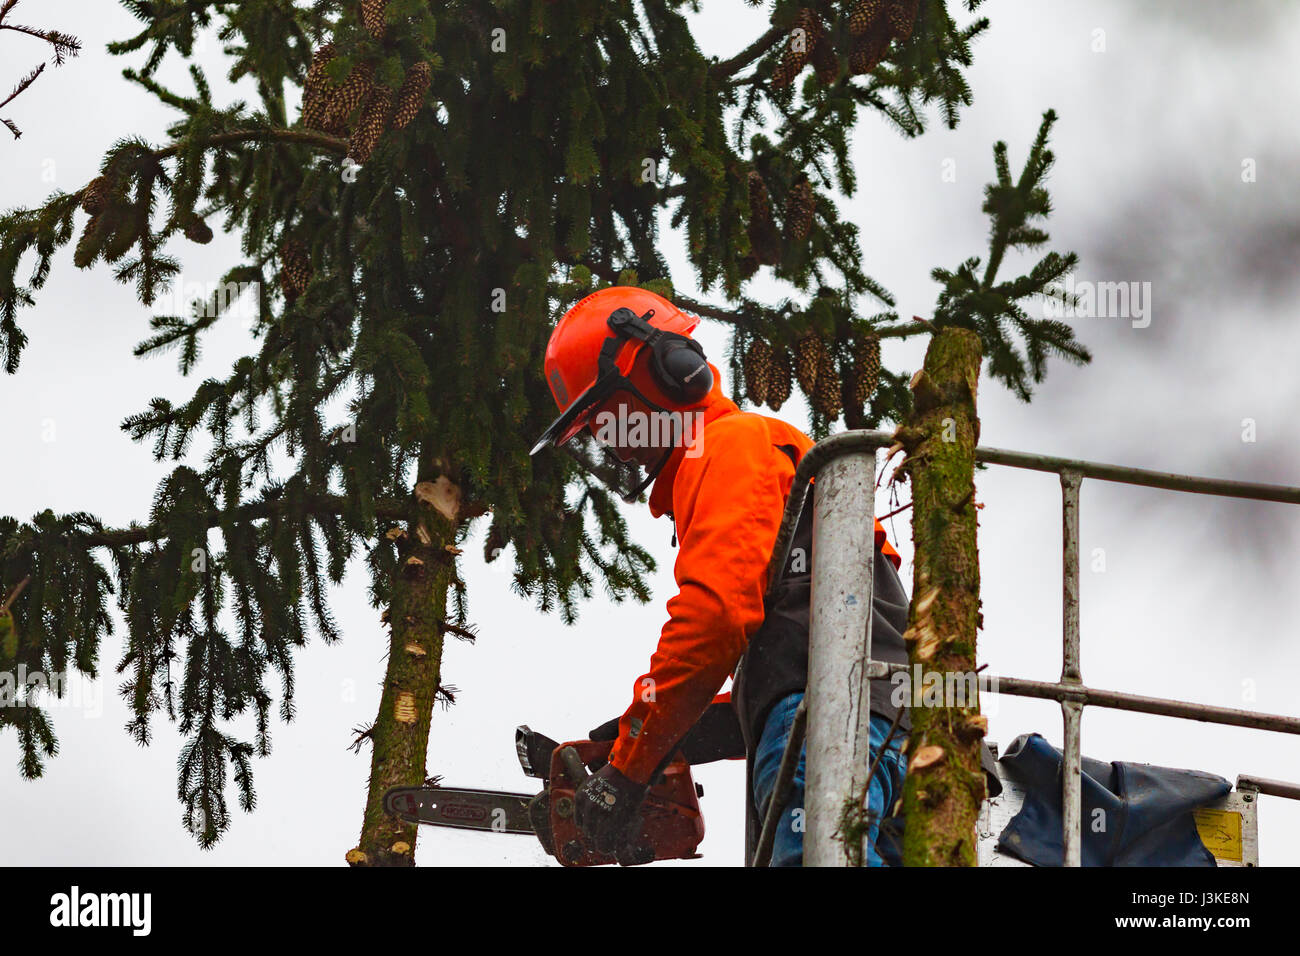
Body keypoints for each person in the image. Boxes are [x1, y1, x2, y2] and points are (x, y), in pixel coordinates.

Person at [529, 286, 914, 866]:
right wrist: (636, 742)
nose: (614, 447)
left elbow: (715, 617)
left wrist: (630, 770)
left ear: (667, 372)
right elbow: (788, 656)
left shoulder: (728, 444)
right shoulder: (748, 460)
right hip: (890, 722)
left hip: (834, 718)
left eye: (608, 422)